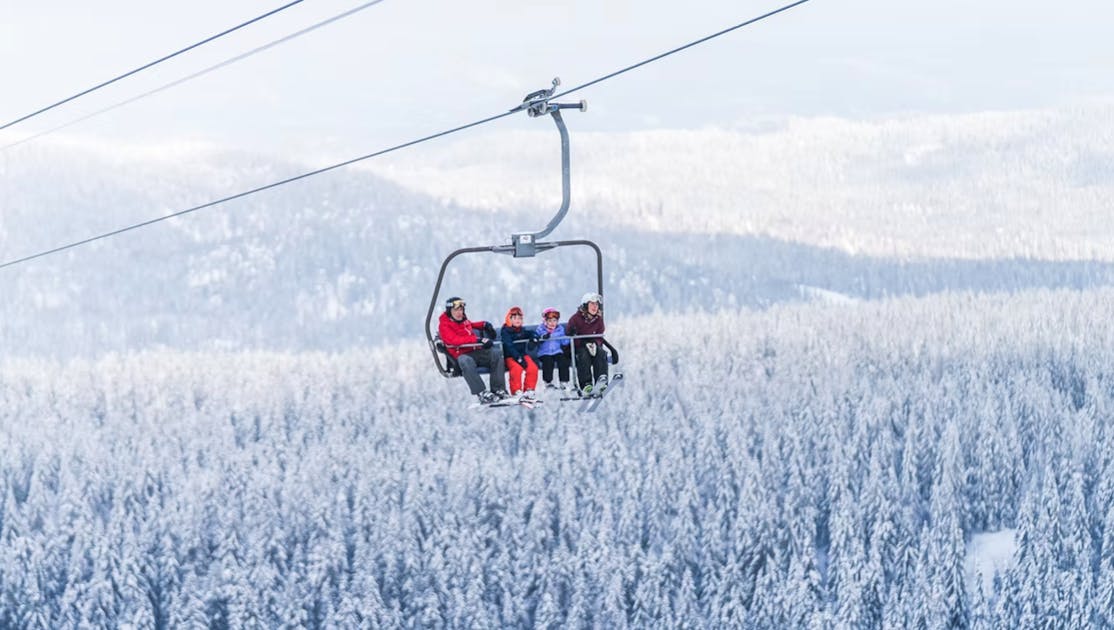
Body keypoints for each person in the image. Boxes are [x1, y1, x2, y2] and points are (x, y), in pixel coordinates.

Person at [438, 296, 508, 404]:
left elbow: (470, 324)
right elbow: (454, 340)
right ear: (449, 311)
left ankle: (498, 390)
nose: (459, 313)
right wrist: (478, 340)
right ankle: (482, 393)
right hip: (461, 355)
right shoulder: (444, 326)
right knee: (465, 361)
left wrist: (484, 324)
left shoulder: (463, 321)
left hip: (476, 351)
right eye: (456, 310)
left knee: (496, 354)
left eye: (461, 310)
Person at [566, 292, 609, 396]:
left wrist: (595, 343)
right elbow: (569, 336)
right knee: (583, 355)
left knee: (601, 353)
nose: (595, 307)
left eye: (596, 304)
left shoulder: (598, 320)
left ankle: (601, 380)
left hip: (593, 346)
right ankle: (586, 384)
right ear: (585, 305)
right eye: (592, 304)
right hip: (579, 347)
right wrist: (581, 341)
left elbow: (600, 335)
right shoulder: (575, 319)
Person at [499, 306, 541, 401]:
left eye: (519, 318)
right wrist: (518, 358)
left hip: (523, 355)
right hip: (511, 356)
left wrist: (534, 337)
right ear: (509, 319)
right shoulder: (506, 331)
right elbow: (509, 346)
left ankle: (529, 390)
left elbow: (531, 333)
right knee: (516, 369)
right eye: (515, 318)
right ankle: (516, 391)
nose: (517, 320)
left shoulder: (521, 330)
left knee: (533, 368)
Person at [533, 307, 572, 392]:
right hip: (544, 352)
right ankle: (548, 382)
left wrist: (569, 336)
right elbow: (536, 338)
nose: (552, 323)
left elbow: (564, 342)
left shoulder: (560, 329)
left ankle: (564, 381)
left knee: (563, 361)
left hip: (557, 351)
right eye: (550, 321)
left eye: (554, 321)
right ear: (545, 321)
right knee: (548, 362)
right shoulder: (541, 329)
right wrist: (543, 337)